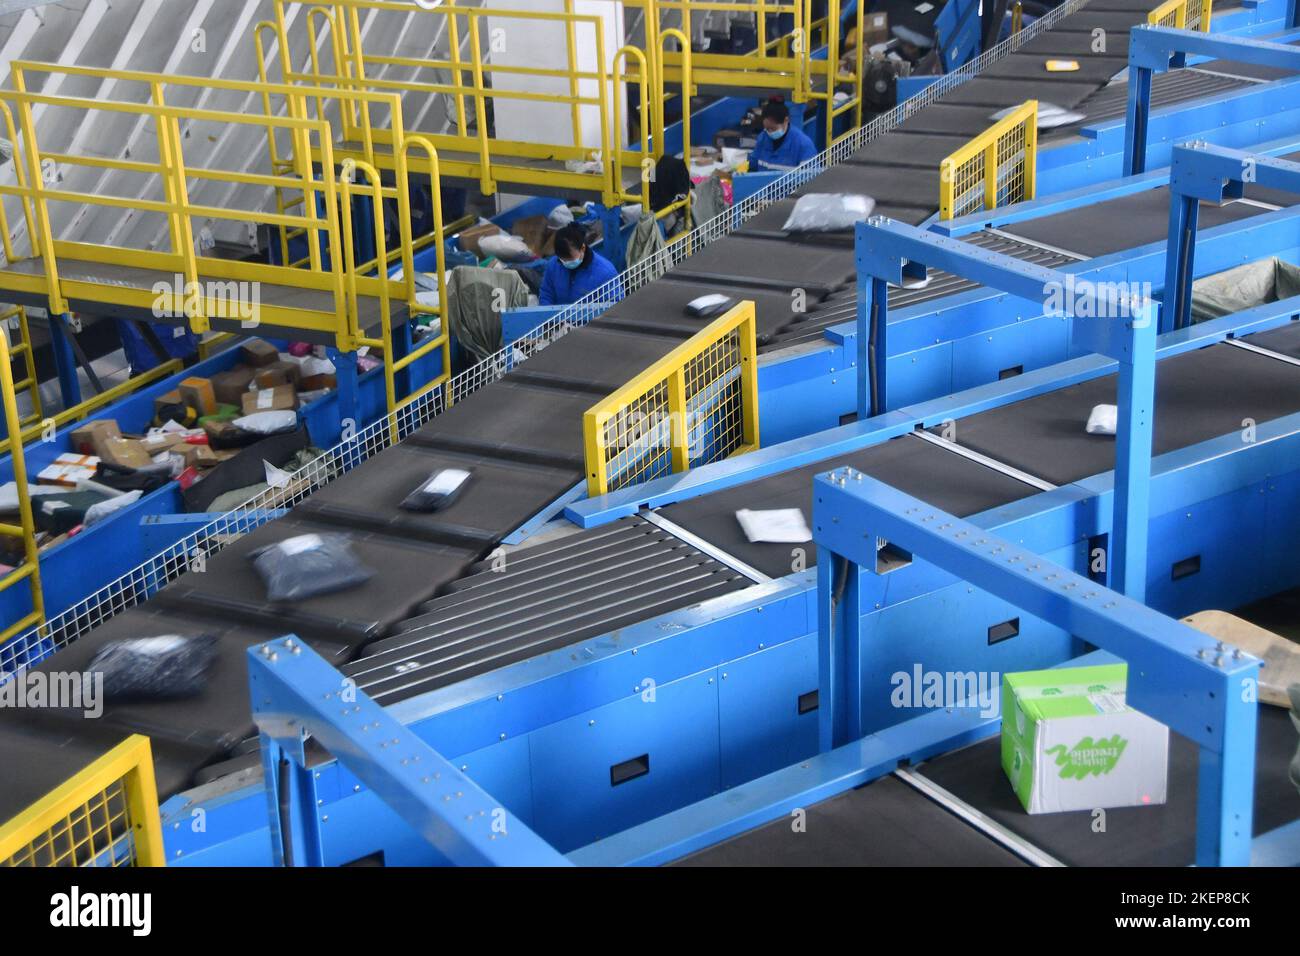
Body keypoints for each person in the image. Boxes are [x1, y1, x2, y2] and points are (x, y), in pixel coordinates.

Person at [538, 223, 619, 306]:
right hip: (557, 318)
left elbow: (615, 306)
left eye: (570, 258)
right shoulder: (553, 264)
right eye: (563, 259)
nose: (566, 263)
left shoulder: (605, 272)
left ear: (582, 248)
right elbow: (546, 294)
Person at [748, 100, 818, 172]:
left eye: (773, 128)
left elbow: (811, 178)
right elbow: (753, 167)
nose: (769, 132)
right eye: (766, 128)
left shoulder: (803, 145)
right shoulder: (762, 138)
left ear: (786, 120)